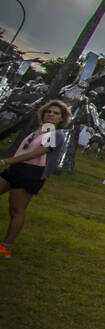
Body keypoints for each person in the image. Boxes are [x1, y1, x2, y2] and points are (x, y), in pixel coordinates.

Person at [0, 99, 73, 257]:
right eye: (49, 111)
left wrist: (5, 161)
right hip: (16, 168)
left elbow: (37, 153)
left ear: (62, 118)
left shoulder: (56, 134)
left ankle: (6, 246)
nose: (51, 114)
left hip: (31, 173)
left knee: (16, 209)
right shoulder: (40, 130)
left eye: (56, 113)